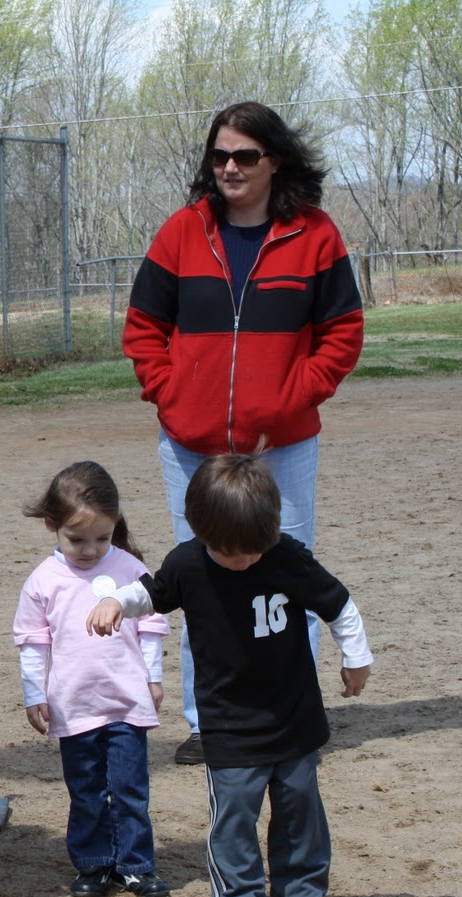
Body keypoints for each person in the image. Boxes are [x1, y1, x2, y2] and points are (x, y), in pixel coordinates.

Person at [124, 101, 364, 766]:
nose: (229, 167)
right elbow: (143, 325)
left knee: (287, 571)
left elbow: (343, 332)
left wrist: (291, 400)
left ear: (274, 160)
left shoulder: (315, 236)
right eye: (220, 155)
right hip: (190, 446)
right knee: (202, 575)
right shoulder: (181, 233)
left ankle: (293, 718)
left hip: (282, 445)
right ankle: (210, 722)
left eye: (245, 156)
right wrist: (173, 396)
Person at [87, 453, 373, 897]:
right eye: (229, 552)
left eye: (252, 552)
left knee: (301, 811)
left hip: (295, 717)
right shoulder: (189, 563)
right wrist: (116, 603)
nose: (242, 562)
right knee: (235, 819)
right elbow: (149, 593)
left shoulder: (286, 556)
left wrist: (357, 658)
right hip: (230, 726)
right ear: (201, 530)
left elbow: (339, 604)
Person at [13, 461, 171, 897]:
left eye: (102, 538)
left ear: (115, 525)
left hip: (125, 701)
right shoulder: (44, 579)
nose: (89, 548)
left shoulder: (130, 568)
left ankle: (136, 865)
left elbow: (151, 626)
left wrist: (153, 678)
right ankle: (94, 863)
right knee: (85, 791)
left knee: (129, 788)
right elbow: (32, 642)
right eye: (77, 539)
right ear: (52, 525)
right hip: (74, 704)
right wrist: (35, 694)